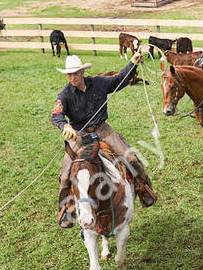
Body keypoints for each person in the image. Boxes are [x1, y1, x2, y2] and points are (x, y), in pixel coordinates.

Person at [51, 54, 157, 228]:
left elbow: (119, 80)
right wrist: (64, 126)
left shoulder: (98, 82)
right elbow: (56, 114)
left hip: (102, 129)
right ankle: (66, 209)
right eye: (69, 74)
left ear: (82, 71)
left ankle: (143, 187)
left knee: (130, 158)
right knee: (64, 176)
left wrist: (132, 63)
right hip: (79, 134)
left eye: (76, 73)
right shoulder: (65, 94)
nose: (72, 77)